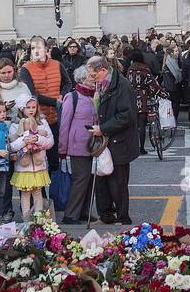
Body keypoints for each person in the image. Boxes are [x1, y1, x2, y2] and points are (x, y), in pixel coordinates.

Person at [90, 54, 138, 226]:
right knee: (101, 180)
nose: (91, 78)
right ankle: (106, 215)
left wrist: (103, 128)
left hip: (119, 141)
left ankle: (123, 217)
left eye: (94, 75)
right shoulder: (101, 84)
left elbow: (127, 116)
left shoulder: (122, 85)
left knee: (118, 182)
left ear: (103, 70)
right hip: (104, 140)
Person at [58, 64, 101, 224]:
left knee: (89, 180)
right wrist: (62, 148)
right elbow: (64, 124)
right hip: (77, 146)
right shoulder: (72, 97)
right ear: (82, 78)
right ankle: (70, 214)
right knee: (80, 180)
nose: (94, 79)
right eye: (91, 76)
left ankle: (83, 211)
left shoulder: (93, 96)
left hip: (93, 145)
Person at [19, 37, 67, 176]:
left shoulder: (57, 65)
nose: (36, 51)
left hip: (56, 119)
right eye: (33, 48)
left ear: (46, 49)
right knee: (36, 159)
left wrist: (62, 95)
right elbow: (32, 94)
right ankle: (40, 195)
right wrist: (54, 102)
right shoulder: (25, 69)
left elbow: (68, 82)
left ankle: (55, 192)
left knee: (54, 159)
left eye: (39, 47)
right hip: (36, 120)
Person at [8, 97, 54, 220]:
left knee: (38, 192)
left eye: (34, 107)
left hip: (39, 165)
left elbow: (50, 142)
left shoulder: (42, 123)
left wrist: (38, 139)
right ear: (22, 109)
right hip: (23, 167)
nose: (31, 110)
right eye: (28, 107)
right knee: (25, 193)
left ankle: (39, 219)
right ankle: (26, 219)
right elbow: (11, 146)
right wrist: (24, 140)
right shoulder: (15, 125)